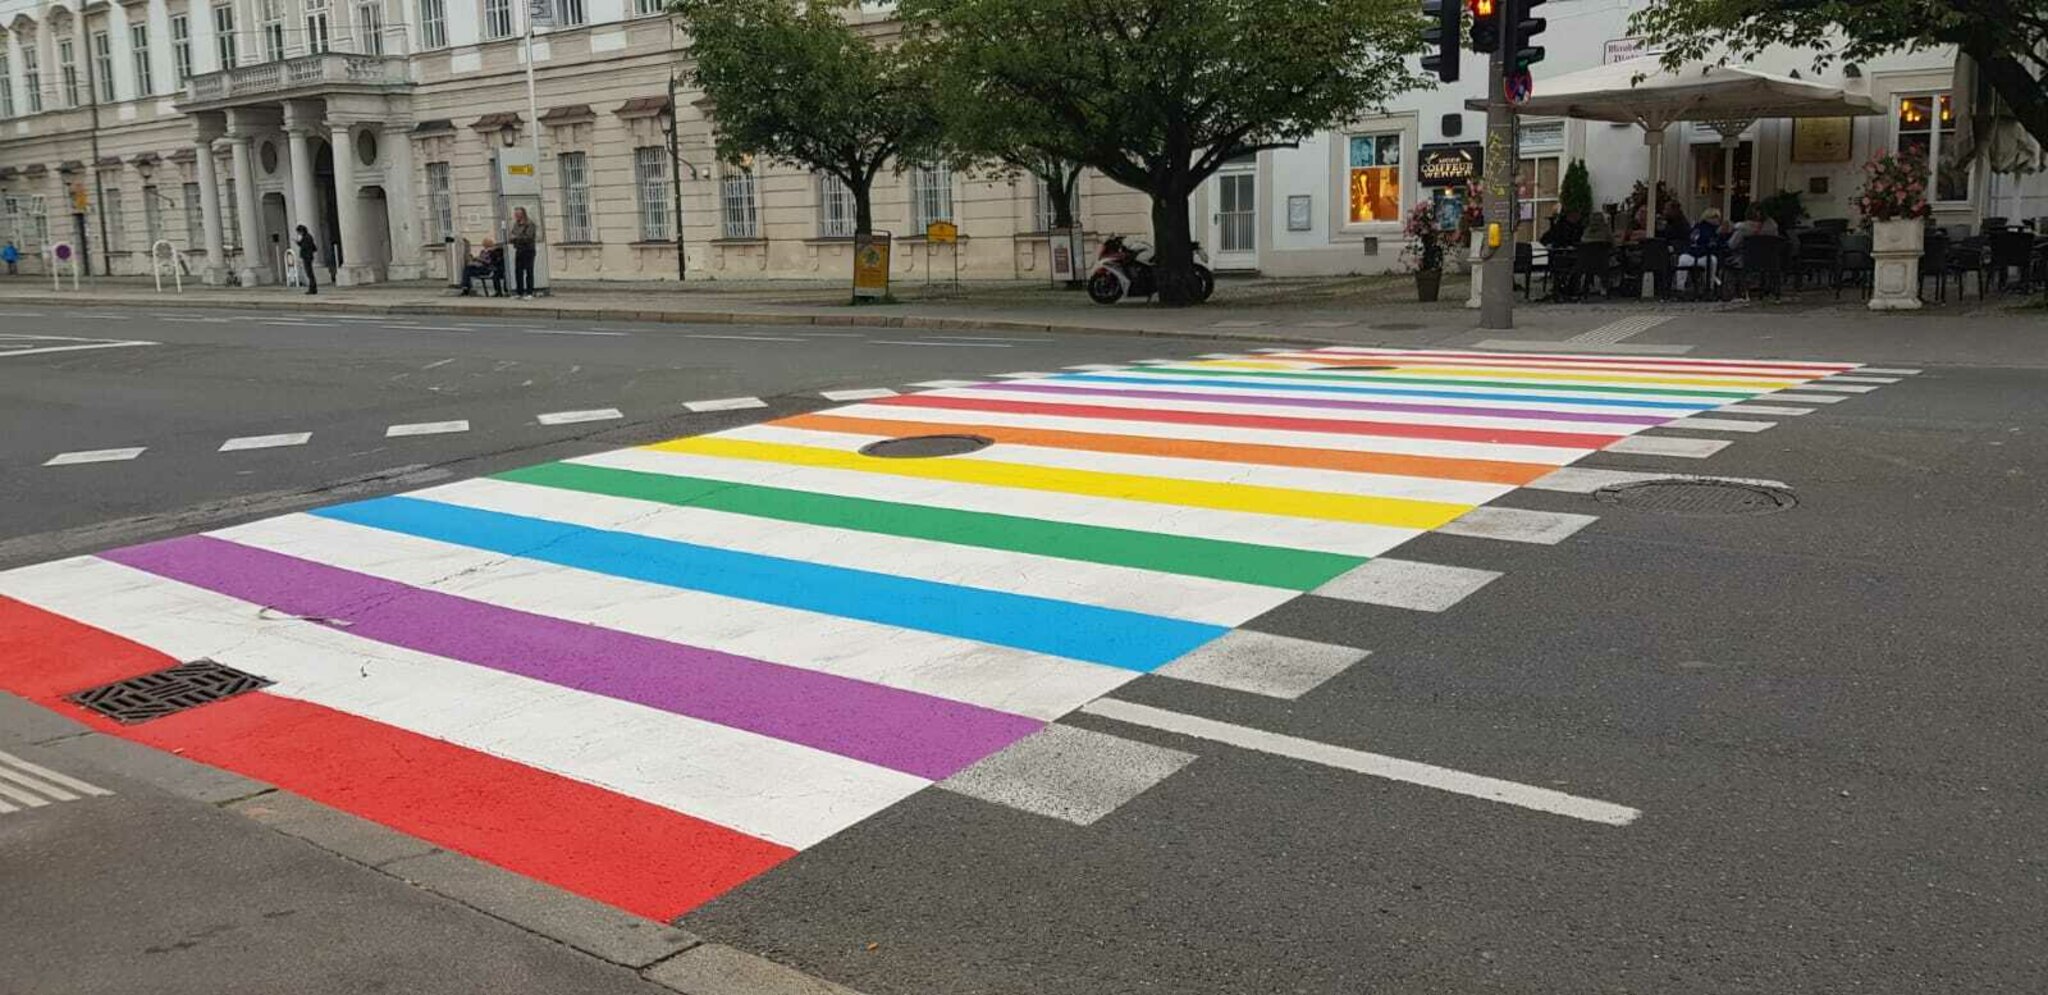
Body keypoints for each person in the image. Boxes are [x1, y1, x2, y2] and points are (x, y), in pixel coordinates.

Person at [1678, 208, 1725, 292]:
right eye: (1714, 217)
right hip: (1693, 254)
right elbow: (1693, 240)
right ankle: (1680, 287)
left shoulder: (1718, 230)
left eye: (1718, 217)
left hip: (1706, 255)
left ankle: (1709, 287)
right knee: (1682, 259)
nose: (1717, 220)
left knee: (1713, 260)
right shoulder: (1699, 228)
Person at [508, 206, 537, 300]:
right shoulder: (516, 224)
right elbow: (512, 235)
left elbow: (528, 237)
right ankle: (519, 292)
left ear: (523, 214)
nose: (516, 216)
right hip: (519, 249)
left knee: (529, 271)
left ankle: (529, 292)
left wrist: (516, 238)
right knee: (518, 271)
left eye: (518, 214)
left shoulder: (529, 224)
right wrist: (513, 238)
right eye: (515, 214)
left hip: (528, 250)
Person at [294, 225, 318, 295]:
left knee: (309, 273)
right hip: (308, 257)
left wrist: (300, 243)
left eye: (299, 232)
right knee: (309, 273)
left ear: (302, 231)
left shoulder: (307, 237)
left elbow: (306, 247)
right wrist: (298, 243)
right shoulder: (306, 237)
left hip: (307, 257)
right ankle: (313, 288)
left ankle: (312, 288)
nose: (299, 234)